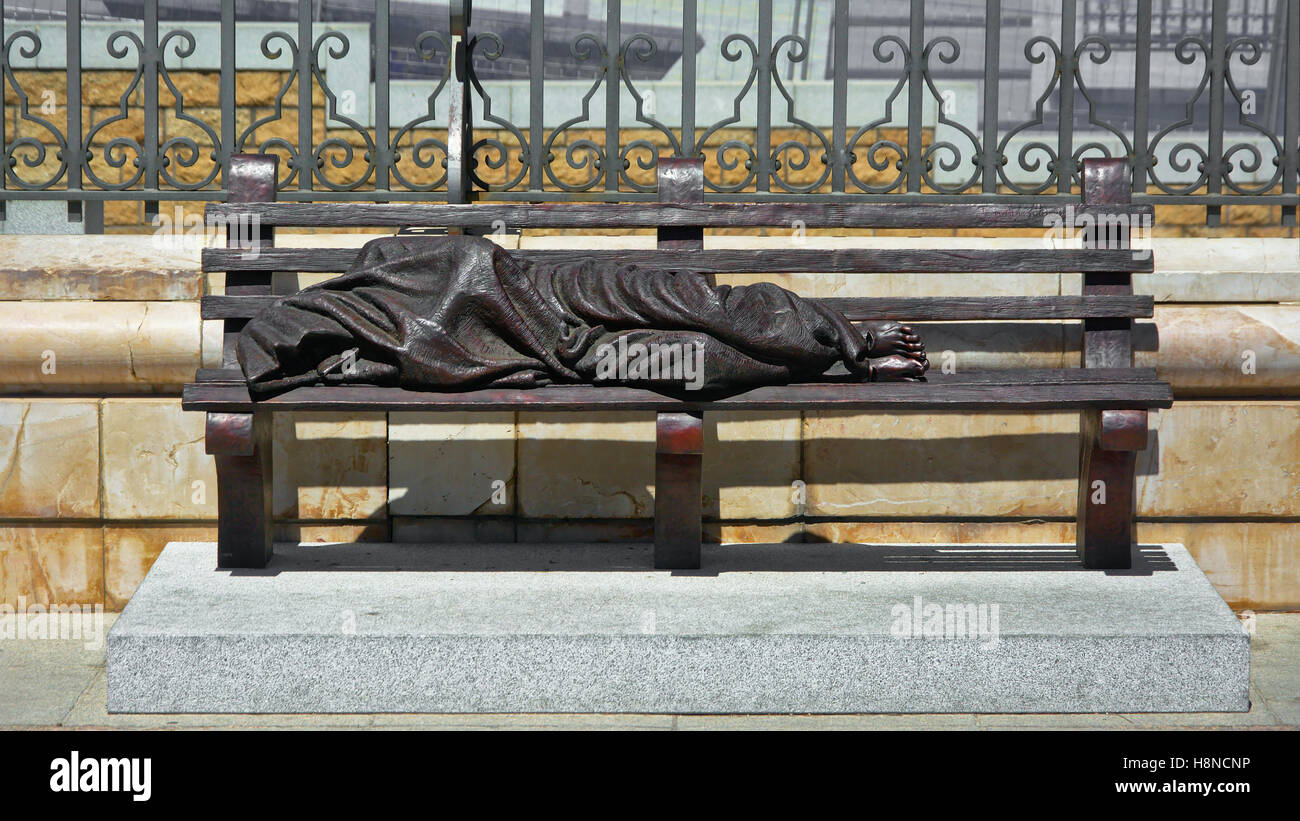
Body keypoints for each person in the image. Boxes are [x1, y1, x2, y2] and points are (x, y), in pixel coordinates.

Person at [237, 234, 928, 397]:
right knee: (695, 364)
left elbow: (467, 265)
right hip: (566, 353)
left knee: (703, 306)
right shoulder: (352, 351)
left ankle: (844, 336)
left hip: (555, 290)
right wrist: (341, 362)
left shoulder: (370, 274)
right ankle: (832, 355)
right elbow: (302, 365)